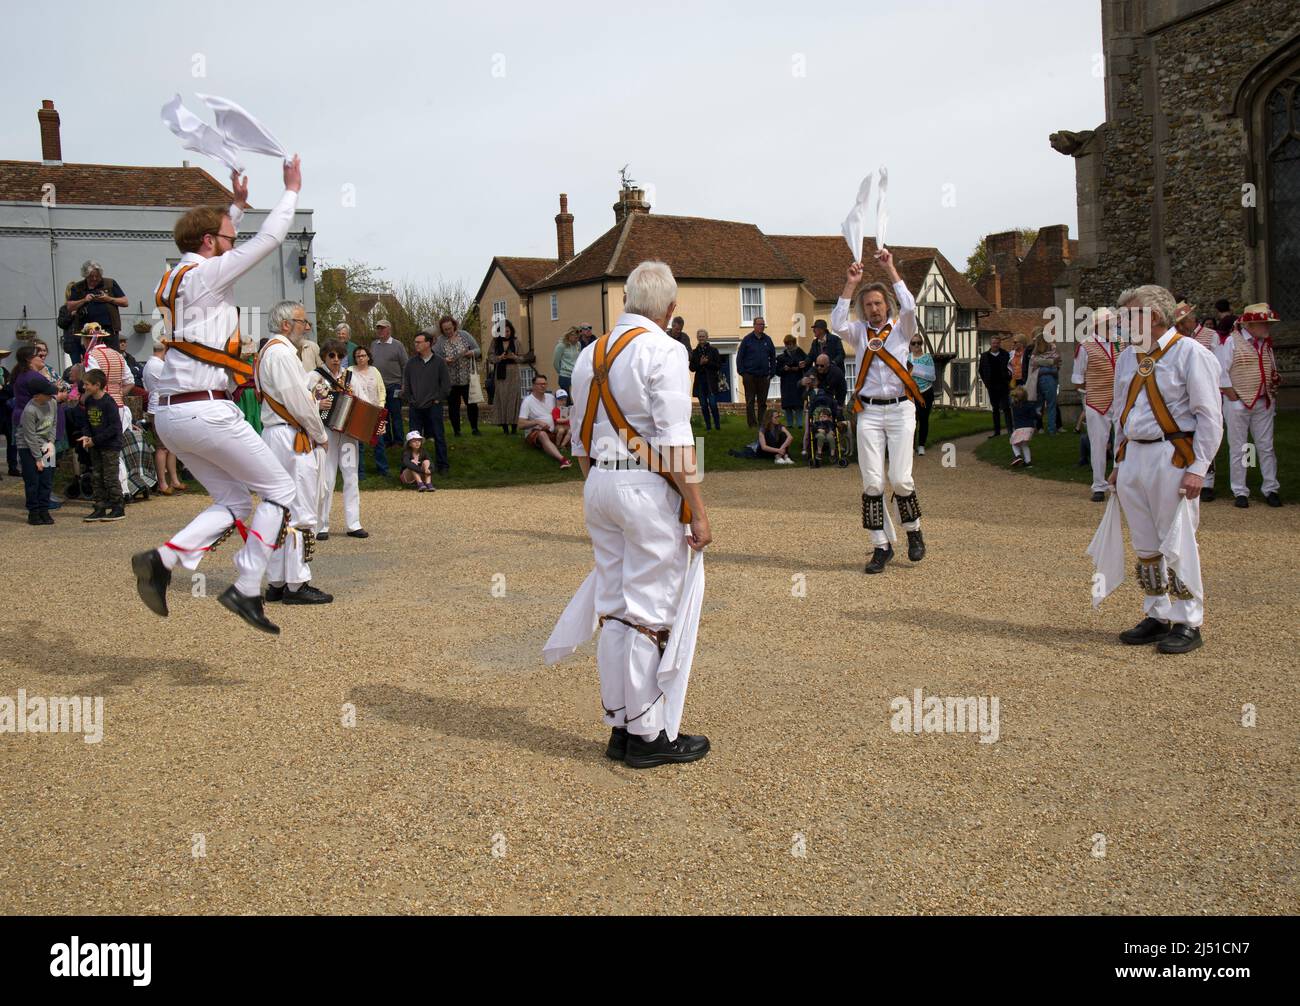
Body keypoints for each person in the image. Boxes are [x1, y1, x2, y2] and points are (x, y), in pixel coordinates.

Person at [130, 159, 305, 636]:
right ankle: (247, 587)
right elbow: (269, 242)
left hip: (171, 416)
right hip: (205, 408)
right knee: (280, 491)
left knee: (235, 501)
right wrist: (289, 192)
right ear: (209, 243)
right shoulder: (206, 277)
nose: (233, 245)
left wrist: (236, 208)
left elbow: (220, 239)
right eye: (228, 238)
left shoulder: (173, 278)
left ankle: (163, 560)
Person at [563, 260, 712, 768]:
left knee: (614, 605)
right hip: (645, 488)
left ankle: (621, 725)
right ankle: (650, 735)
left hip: (599, 481)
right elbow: (674, 439)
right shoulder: (666, 350)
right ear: (670, 310)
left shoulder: (589, 353)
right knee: (650, 608)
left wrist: (597, 482)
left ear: (626, 299)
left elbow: (577, 432)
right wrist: (697, 510)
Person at [1108, 284, 1222, 654]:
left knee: (1178, 542)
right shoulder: (1127, 358)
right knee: (1146, 544)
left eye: (1129, 315)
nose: (1122, 322)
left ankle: (1188, 620)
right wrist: (1118, 462)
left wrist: (1199, 467)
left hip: (1172, 457)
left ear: (1153, 317)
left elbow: (1210, 417)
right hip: (1135, 458)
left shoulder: (1191, 354)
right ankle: (1157, 613)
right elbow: (1120, 416)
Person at [832, 250, 927, 574]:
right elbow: (836, 323)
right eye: (868, 304)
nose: (873, 309)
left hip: (901, 410)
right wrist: (850, 283)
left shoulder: (902, 329)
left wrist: (890, 268)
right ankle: (880, 545)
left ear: (887, 305)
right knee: (872, 483)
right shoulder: (858, 333)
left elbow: (911, 306)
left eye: (878, 303)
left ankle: (913, 531)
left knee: (900, 478)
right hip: (869, 413)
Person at [256, 300, 333, 604]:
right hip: (291, 437)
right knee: (300, 507)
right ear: (286, 325)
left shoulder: (268, 352)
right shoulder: (282, 353)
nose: (306, 327)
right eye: (302, 322)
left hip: (276, 436)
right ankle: (297, 583)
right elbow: (298, 402)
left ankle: (277, 581)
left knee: (277, 509)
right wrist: (320, 433)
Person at [1216, 303, 1283, 508]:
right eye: (1263, 323)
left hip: (1263, 401)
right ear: (1250, 325)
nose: (1267, 327)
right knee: (1241, 447)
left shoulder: (1265, 343)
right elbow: (1220, 371)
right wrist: (1232, 395)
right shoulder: (1231, 342)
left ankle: (1270, 488)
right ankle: (1240, 490)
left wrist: (1274, 378)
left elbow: (1269, 367)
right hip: (1239, 402)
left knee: (1265, 446)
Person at [313, 339, 369, 540]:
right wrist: (318, 405)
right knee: (326, 477)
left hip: (347, 433)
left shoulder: (351, 378)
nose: (336, 360)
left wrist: (369, 422)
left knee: (351, 475)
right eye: (332, 356)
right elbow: (301, 400)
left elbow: (364, 401)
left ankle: (354, 523)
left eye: (339, 356)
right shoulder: (314, 377)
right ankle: (321, 525)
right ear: (324, 357)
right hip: (325, 432)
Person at [1071, 307, 1119, 501]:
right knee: (1098, 443)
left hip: (1120, 400)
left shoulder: (1121, 343)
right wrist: (1094, 390)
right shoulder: (1085, 346)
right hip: (1096, 401)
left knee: (1122, 443)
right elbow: (1077, 378)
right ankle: (1098, 485)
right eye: (1109, 321)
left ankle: (1119, 483)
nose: (1113, 324)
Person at [77, 368, 126, 522]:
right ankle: (100, 506)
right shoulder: (89, 400)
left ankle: (118, 507)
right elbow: (86, 421)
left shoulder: (108, 402)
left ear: (97, 385)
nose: (84, 387)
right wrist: (86, 435)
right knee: (96, 476)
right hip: (95, 445)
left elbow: (114, 427)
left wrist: (96, 440)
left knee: (110, 477)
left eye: (87, 384)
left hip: (110, 445)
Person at [403, 330, 450, 475]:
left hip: (433, 406)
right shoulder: (411, 363)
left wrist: (437, 399)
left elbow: (446, 385)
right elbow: (407, 385)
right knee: (413, 439)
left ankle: (443, 466)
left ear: (428, 343)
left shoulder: (439, 362)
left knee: (438, 435)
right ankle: (411, 467)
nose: (415, 345)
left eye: (419, 342)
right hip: (415, 407)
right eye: (415, 342)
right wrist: (411, 400)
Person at [64, 261, 127, 364]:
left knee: (112, 359)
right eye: (90, 277)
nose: (94, 279)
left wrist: (108, 299)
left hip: (109, 330)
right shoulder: (78, 287)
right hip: (88, 333)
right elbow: (69, 306)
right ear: (85, 275)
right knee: (91, 360)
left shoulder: (110, 283)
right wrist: (84, 300)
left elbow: (125, 302)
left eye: (97, 276)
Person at [141, 341, 184, 495]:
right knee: (162, 446)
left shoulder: (150, 364)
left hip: (161, 405)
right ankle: (163, 482)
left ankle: (173, 480)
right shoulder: (158, 365)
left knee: (170, 446)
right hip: (159, 407)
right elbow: (175, 382)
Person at [18, 376, 59, 525]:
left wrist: (51, 443)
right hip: (28, 447)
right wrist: (37, 459)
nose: (50, 396)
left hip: (47, 444)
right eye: (47, 394)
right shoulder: (30, 410)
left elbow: (54, 423)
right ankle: (33, 512)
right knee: (33, 481)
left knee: (46, 480)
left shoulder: (52, 403)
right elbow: (29, 436)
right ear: (37, 395)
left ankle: (44, 509)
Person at [369, 319, 407, 474]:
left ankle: (398, 441)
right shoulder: (373, 345)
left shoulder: (397, 345)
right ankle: (386, 440)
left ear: (389, 329)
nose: (380, 331)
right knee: (382, 416)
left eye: (383, 328)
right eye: (378, 328)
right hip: (378, 386)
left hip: (394, 385)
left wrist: (404, 384)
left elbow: (405, 364)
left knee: (395, 414)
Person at [435, 316, 482, 437]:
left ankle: (475, 428)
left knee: (471, 405)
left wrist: (471, 353)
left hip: (467, 378)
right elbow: (434, 357)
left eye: (450, 328)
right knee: (453, 407)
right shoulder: (440, 341)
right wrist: (445, 360)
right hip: (451, 380)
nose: (448, 331)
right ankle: (457, 431)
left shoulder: (464, 335)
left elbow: (478, 350)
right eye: (445, 329)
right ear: (442, 330)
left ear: (454, 326)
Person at [488, 320, 533, 434]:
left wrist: (514, 357)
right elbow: (490, 357)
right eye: (503, 331)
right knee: (502, 398)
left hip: (513, 372)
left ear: (511, 331)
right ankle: (504, 427)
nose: (506, 333)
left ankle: (514, 426)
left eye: (508, 331)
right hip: (500, 373)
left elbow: (523, 358)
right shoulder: (495, 342)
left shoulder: (516, 342)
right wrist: (499, 358)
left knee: (514, 398)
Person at [518, 373, 571, 468]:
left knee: (574, 430)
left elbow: (561, 411)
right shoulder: (527, 401)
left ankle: (593, 458)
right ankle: (562, 459)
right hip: (536, 432)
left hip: (554, 430)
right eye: (540, 384)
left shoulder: (551, 398)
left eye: (545, 384)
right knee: (542, 434)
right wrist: (537, 422)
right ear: (533, 386)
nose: (543, 386)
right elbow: (520, 424)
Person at [347, 345, 385, 478]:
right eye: (358, 356)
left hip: (375, 411)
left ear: (368, 357)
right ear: (355, 358)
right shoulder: (350, 371)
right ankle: (360, 472)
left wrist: (381, 406)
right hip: (357, 411)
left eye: (363, 355)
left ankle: (383, 470)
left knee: (378, 442)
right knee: (359, 444)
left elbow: (381, 390)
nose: (361, 358)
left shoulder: (375, 371)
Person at [737, 317, 776, 427]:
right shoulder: (747, 340)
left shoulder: (768, 340)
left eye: (763, 324)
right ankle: (752, 424)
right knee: (750, 401)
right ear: (754, 325)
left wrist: (772, 372)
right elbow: (740, 357)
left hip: (764, 376)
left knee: (762, 402)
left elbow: (773, 357)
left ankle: (762, 423)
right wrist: (742, 373)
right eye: (759, 324)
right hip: (749, 375)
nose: (761, 326)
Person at [978, 335, 1013, 436]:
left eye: (997, 343)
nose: (995, 345)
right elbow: (981, 370)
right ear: (990, 344)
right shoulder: (984, 356)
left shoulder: (1005, 354)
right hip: (992, 386)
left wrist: (1008, 380)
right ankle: (997, 432)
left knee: (1006, 408)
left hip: (1003, 385)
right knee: (995, 409)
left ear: (999, 343)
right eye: (994, 343)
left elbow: (1010, 368)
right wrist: (986, 383)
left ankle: (1010, 430)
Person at [689, 329, 722, 431]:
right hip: (700, 383)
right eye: (700, 336)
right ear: (697, 338)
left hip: (711, 382)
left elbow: (718, 366)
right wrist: (700, 363)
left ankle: (717, 426)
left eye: (703, 336)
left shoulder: (713, 350)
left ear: (706, 337)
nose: (701, 338)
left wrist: (707, 362)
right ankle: (708, 427)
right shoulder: (694, 352)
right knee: (703, 406)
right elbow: (691, 368)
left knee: (712, 404)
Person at [1030, 330, 1062, 433]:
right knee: (1051, 405)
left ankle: (1038, 428)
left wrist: (1041, 365)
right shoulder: (1053, 351)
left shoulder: (1035, 353)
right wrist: (1050, 364)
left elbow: (1034, 365)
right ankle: (1051, 429)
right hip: (1049, 379)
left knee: (1038, 406)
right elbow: (1056, 365)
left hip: (1037, 380)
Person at [909, 335, 936, 455]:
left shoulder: (927, 357)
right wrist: (920, 371)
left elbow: (932, 376)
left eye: (918, 343)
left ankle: (921, 445)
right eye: (914, 343)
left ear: (922, 344)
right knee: (911, 420)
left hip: (926, 392)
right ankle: (910, 446)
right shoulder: (907, 357)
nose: (916, 346)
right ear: (910, 344)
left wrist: (915, 370)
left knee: (924, 419)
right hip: (911, 393)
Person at [776, 335, 808, 429]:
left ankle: (799, 424)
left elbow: (807, 365)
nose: (789, 346)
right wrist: (784, 369)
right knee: (787, 405)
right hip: (786, 383)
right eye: (787, 344)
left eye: (790, 344)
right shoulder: (781, 357)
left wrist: (799, 368)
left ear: (794, 343)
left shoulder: (801, 354)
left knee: (798, 404)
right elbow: (777, 371)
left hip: (798, 381)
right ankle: (789, 424)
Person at [1009, 387, 1039, 468]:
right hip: (1030, 428)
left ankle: (1018, 456)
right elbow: (1034, 416)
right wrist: (1038, 415)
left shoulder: (1014, 406)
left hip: (1019, 428)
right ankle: (1028, 462)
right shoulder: (1030, 405)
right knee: (1024, 445)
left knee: (1013, 443)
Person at [553, 326, 582, 397]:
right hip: (565, 376)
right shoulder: (561, 346)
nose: (577, 340)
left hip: (575, 375)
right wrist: (562, 372)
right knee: (567, 400)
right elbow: (555, 362)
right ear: (569, 336)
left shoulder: (578, 344)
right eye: (575, 338)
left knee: (576, 398)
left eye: (578, 338)